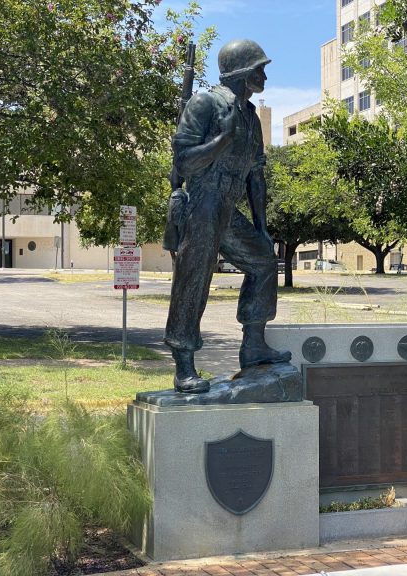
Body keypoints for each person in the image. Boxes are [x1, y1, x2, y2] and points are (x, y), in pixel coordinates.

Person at [163, 39, 291, 393]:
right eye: (258, 69)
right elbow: (184, 161)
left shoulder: (251, 116)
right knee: (194, 279)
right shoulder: (205, 103)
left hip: (228, 205)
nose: (263, 75)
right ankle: (184, 362)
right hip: (202, 202)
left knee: (264, 261)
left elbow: (256, 176)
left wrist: (263, 227)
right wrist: (221, 141)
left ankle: (253, 345)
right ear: (240, 72)